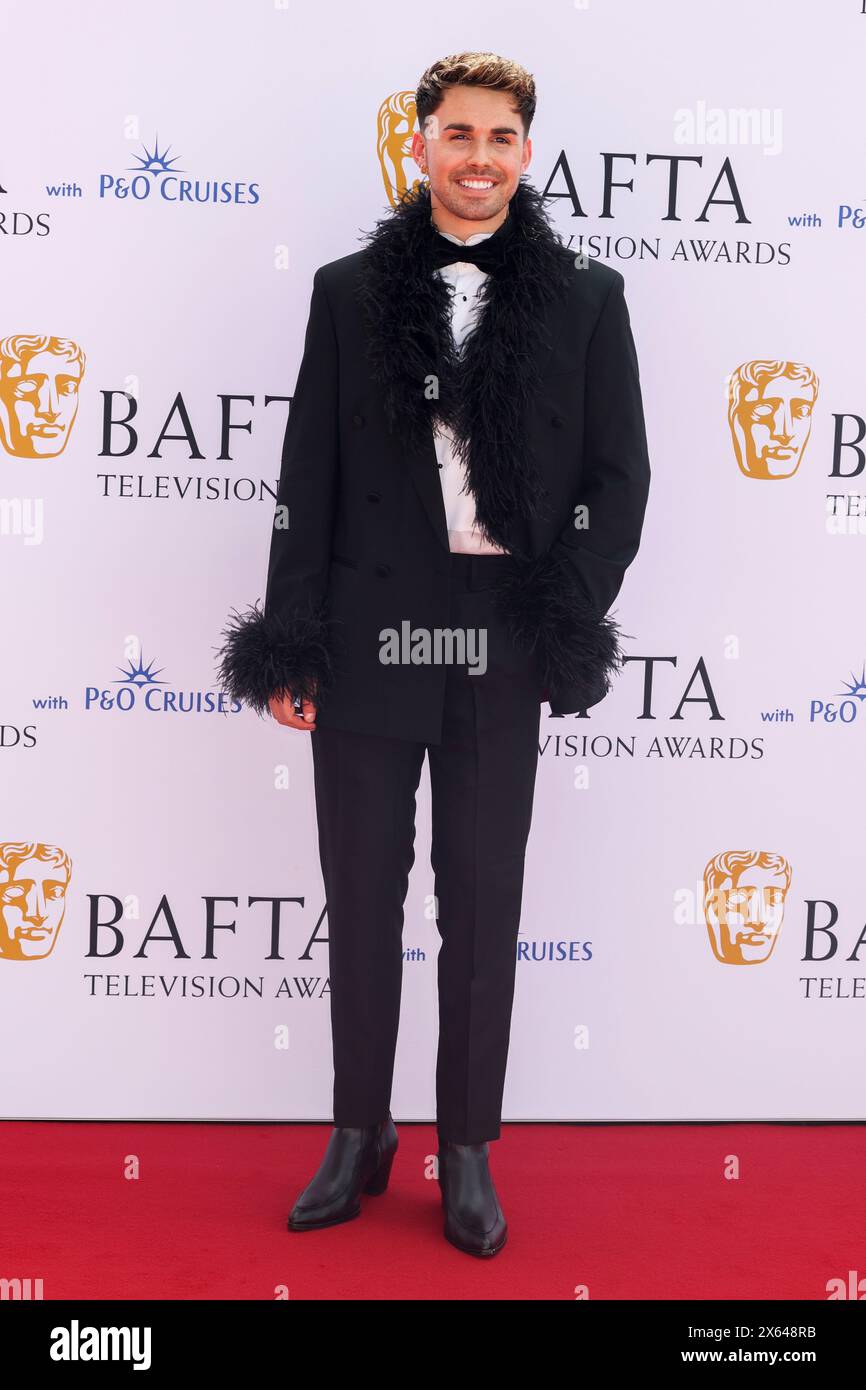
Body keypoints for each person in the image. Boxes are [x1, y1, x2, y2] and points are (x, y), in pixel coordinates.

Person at [216, 51, 651, 1258]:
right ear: (418, 145)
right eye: (457, 133)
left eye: (499, 137)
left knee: (481, 894)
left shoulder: (588, 298)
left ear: (526, 152)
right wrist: (292, 637)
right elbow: (306, 476)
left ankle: (465, 1148)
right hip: (368, 627)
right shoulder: (347, 291)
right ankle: (358, 1130)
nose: (477, 157)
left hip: (501, 631)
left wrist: (564, 612)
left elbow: (618, 479)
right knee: (360, 891)